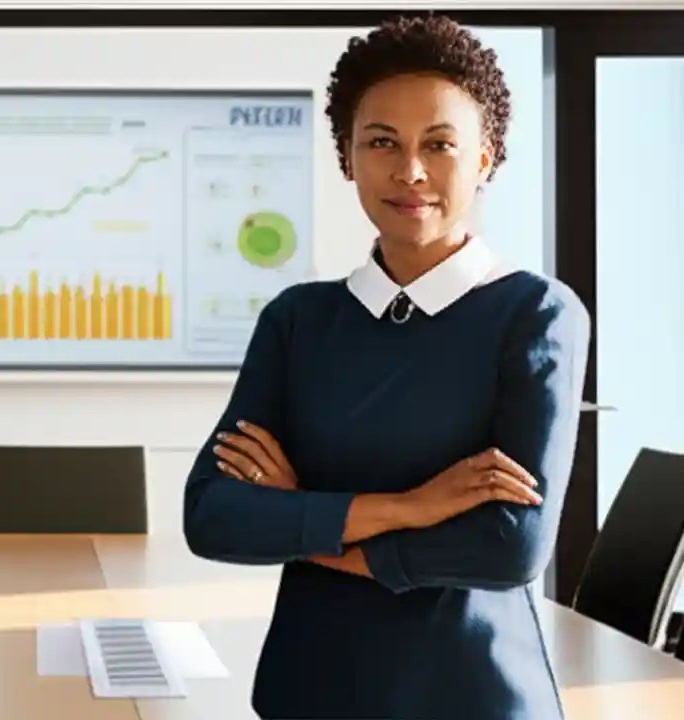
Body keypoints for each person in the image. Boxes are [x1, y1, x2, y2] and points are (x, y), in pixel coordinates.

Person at [182, 14, 589, 720]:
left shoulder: (535, 314)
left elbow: (509, 548)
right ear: (347, 158)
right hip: (311, 694)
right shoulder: (298, 320)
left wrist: (307, 522)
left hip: (472, 698)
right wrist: (410, 508)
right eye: (381, 143)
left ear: (487, 157)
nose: (410, 172)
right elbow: (212, 516)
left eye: (440, 144)